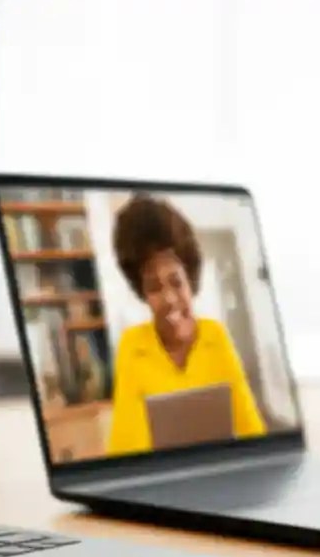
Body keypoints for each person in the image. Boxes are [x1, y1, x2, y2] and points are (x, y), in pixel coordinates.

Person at [106, 195, 266, 455]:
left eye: (176, 282)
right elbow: (126, 453)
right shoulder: (132, 346)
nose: (169, 299)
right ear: (142, 293)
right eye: (154, 287)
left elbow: (252, 431)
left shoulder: (216, 336)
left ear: (190, 280)